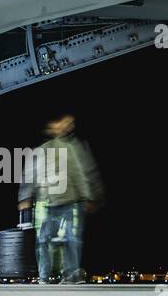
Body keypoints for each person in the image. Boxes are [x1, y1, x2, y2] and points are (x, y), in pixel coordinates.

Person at [17, 113, 104, 284]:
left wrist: (88, 195)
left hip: (72, 201)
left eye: (69, 124)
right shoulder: (40, 151)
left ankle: (71, 273)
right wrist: (25, 196)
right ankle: (44, 276)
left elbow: (82, 173)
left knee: (72, 238)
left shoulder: (74, 148)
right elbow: (29, 175)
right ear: (51, 126)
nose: (66, 126)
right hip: (46, 201)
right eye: (62, 123)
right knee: (43, 239)